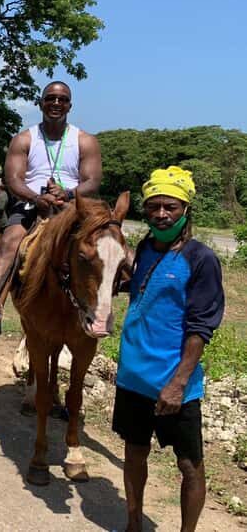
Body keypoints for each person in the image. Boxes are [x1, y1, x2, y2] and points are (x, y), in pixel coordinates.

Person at [113, 167, 223, 532]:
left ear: (186, 209)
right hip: (133, 377)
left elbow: (200, 327)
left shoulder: (200, 259)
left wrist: (178, 383)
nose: (161, 214)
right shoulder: (144, 249)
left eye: (170, 207)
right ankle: (133, 523)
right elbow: (143, 289)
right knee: (134, 451)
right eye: (154, 206)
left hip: (175, 384)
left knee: (189, 464)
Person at [0, 81, 102, 335]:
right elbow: (13, 179)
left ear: (70, 105)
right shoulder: (24, 139)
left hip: (71, 207)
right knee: (10, 242)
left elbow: (93, 181)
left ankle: (104, 304)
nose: (56, 103)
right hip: (30, 205)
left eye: (62, 99)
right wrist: (36, 198)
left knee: (104, 246)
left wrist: (67, 194)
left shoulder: (85, 140)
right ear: (41, 103)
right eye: (51, 98)